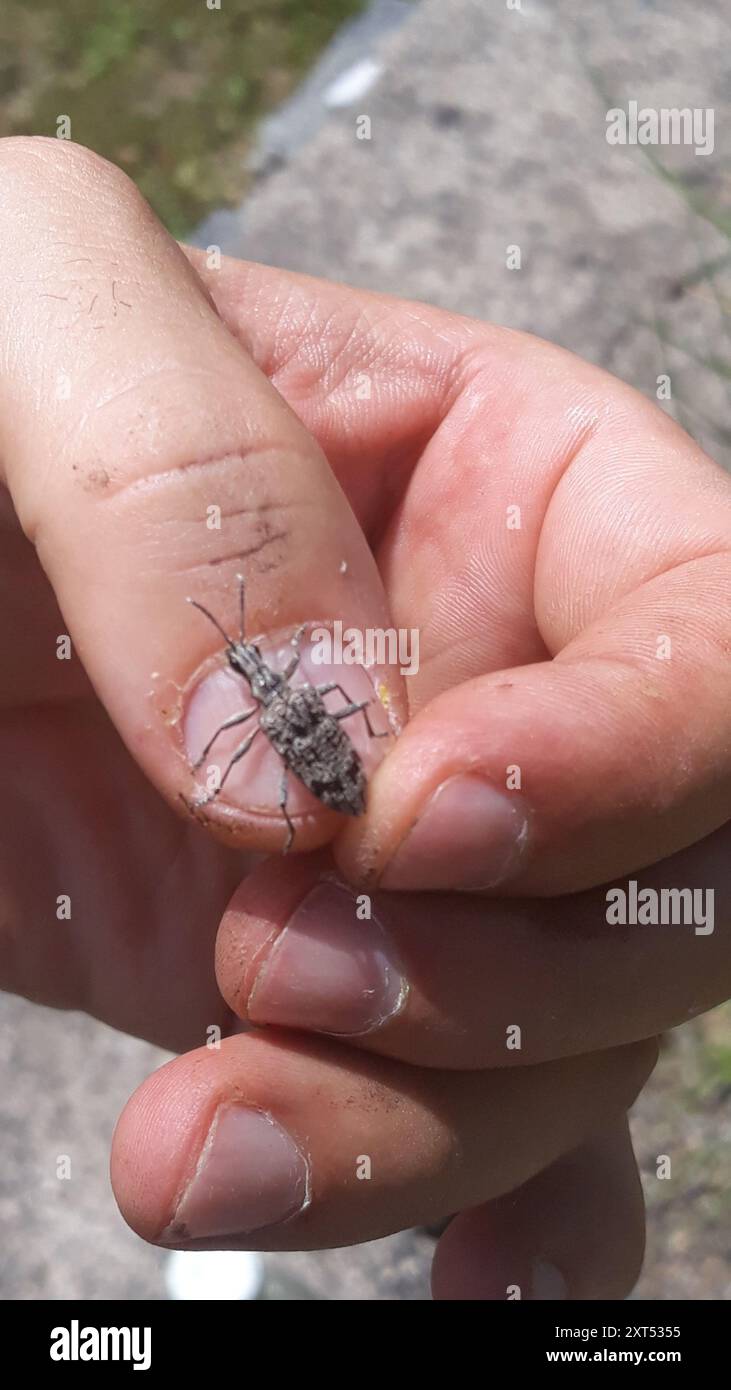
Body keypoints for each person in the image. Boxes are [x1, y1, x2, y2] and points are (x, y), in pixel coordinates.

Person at [0, 136, 728, 1300]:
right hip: (314, 783)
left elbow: (292, 717)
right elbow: (270, 722)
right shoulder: (267, 707)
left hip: (327, 783)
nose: (252, 667)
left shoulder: (282, 707)